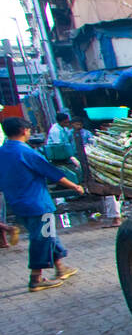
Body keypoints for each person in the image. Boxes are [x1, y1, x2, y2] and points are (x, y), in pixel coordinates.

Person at [0, 116, 83, 291]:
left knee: (48, 234)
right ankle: (36, 278)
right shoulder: (26, 151)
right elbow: (52, 173)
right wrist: (75, 186)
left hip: (18, 204)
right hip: (37, 203)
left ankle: (60, 267)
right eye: (29, 130)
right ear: (24, 131)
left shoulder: (3, 151)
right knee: (43, 238)